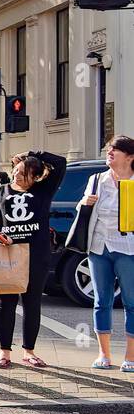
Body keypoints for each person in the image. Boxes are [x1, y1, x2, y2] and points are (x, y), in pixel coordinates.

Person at [0, 150, 68, 368]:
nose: (17, 177)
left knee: (32, 303)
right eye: (16, 171)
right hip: (8, 255)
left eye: (24, 174)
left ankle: (29, 351)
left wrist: (32, 153)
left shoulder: (44, 190)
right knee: (6, 303)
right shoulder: (0, 191)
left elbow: (60, 162)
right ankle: (4, 352)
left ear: (36, 177)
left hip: (36, 255)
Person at [77, 135, 134, 372]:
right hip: (98, 247)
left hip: (128, 248)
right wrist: (85, 203)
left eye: (116, 150)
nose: (110, 153)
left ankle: (130, 357)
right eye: (109, 149)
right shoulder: (96, 180)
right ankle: (104, 354)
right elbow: (82, 211)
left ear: (130, 157)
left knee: (131, 303)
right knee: (102, 301)